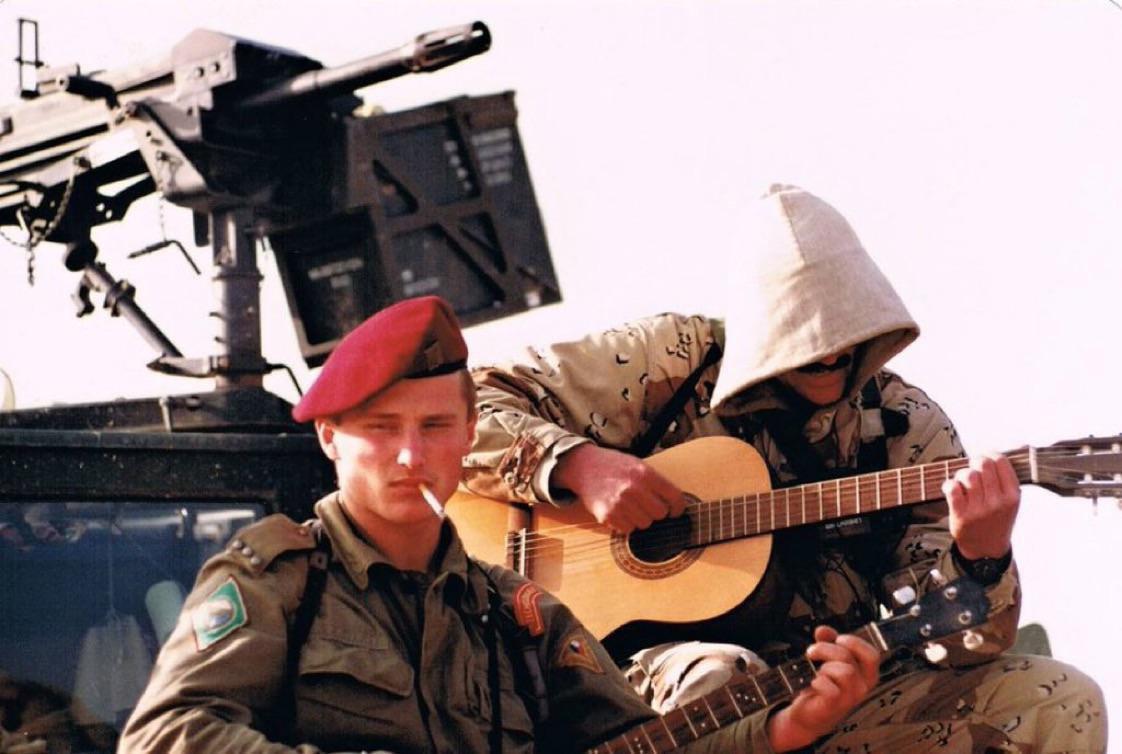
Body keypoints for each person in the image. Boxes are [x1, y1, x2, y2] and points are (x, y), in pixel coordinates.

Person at [462, 186, 1107, 753]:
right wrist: (579, 465)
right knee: (719, 676)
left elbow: (954, 646)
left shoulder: (908, 429)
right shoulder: (674, 361)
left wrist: (982, 556)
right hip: (631, 688)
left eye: (844, 344)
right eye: (804, 346)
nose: (829, 359)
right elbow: (464, 408)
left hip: (834, 694)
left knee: (1057, 699)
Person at [118, 295, 879, 754]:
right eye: (380, 428)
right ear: (330, 439)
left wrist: (785, 726)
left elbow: (635, 744)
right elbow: (163, 735)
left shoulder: (522, 617)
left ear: (472, 430)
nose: (411, 455)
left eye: (435, 426)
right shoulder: (278, 582)